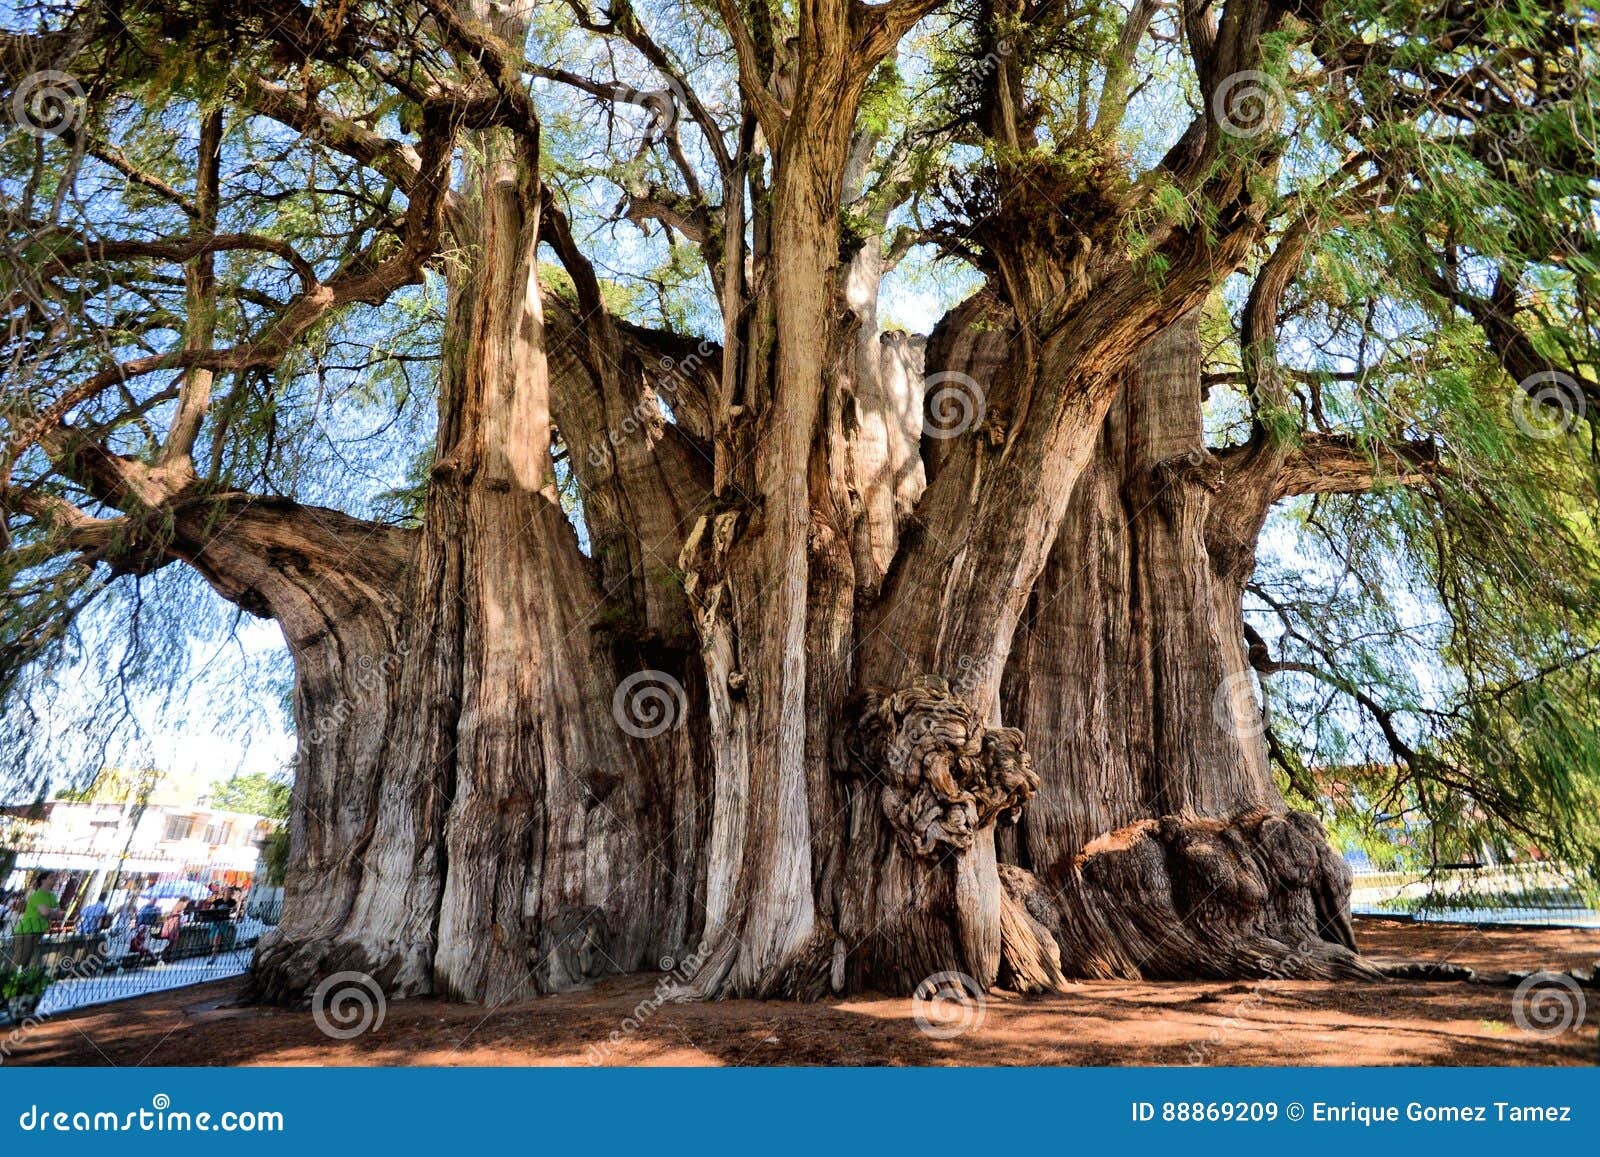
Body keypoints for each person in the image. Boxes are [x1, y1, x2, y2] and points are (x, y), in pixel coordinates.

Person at [8, 875, 60, 969]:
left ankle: (18, 981)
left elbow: (59, 914)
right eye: (51, 877)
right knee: (20, 960)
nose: (55, 879)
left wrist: (50, 911)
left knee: (28, 962)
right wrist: (52, 911)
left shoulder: (52, 896)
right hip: (27, 931)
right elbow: (45, 912)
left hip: (39, 931)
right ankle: (10, 981)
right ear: (43, 881)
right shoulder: (37, 895)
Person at [158, 898, 187, 964]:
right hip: (172, 928)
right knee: (172, 944)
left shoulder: (175, 907)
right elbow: (177, 919)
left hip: (170, 927)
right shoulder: (179, 908)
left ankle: (167, 957)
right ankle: (168, 957)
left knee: (170, 943)